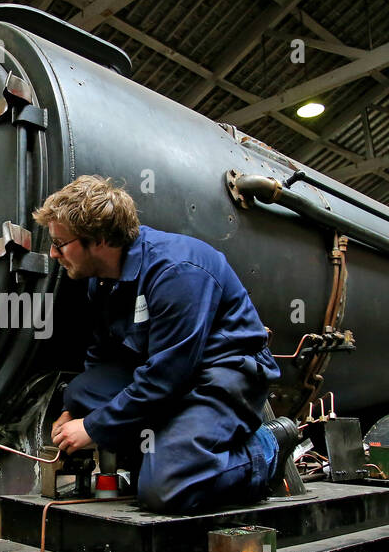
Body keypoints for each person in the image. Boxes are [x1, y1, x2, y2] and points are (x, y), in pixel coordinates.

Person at [37, 175, 299, 513]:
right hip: (167, 369)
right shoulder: (101, 280)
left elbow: (166, 377)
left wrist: (92, 427)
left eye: (60, 243)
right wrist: (78, 410)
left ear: (99, 239)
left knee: (165, 489)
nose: (53, 253)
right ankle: (166, 441)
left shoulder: (176, 271)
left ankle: (267, 445)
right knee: (78, 391)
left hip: (223, 374)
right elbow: (102, 356)